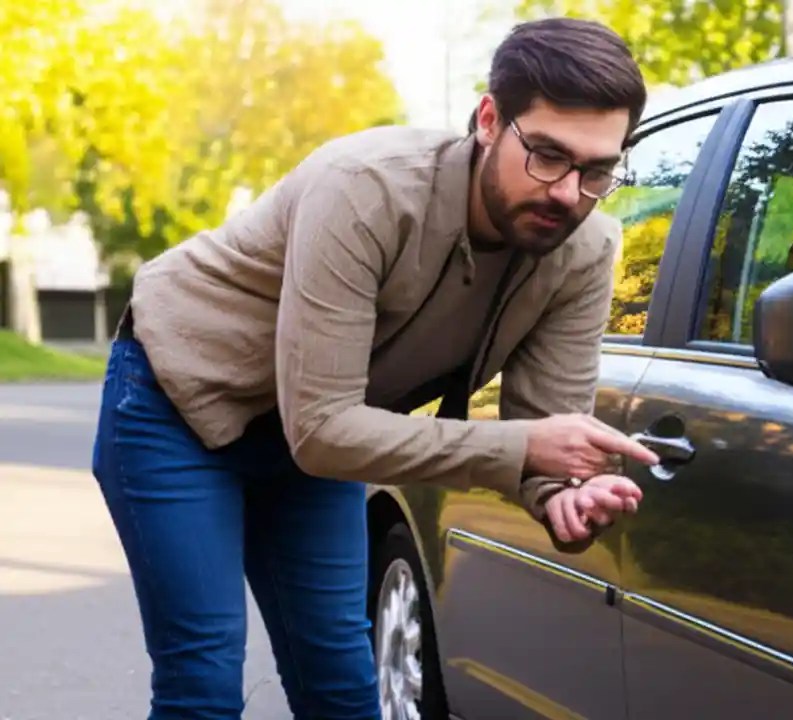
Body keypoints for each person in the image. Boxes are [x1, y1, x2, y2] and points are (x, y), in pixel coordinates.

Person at [90, 16, 659, 720]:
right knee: (203, 682)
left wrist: (556, 494)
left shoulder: (585, 249)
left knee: (341, 687)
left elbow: (541, 433)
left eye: (598, 169)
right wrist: (525, 453)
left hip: (319, 438)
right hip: (177, 399)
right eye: (546, 154)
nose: (570, 193)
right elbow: (324, 430)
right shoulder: (365, 189)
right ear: (489, 119)